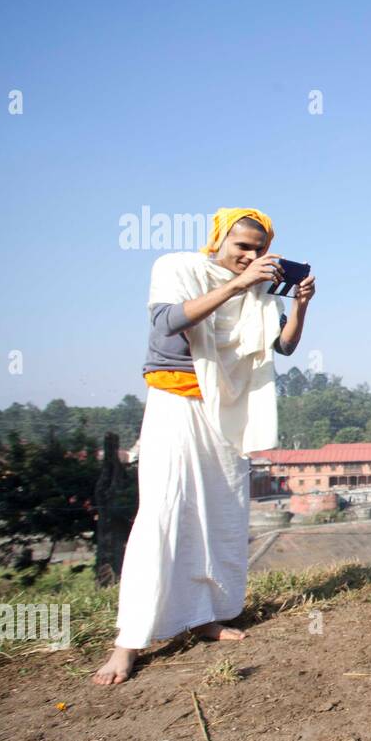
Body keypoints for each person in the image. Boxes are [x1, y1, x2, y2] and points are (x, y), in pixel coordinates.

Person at [93, 208, 316, 685]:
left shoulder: (258, 287)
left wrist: (300, 305)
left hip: (229, 411)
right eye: (242, 246)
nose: (250, 255)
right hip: (177, 404)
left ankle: (205, 616)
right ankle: (128, 642)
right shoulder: (178, 268)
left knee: (221, 514)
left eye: (259, 248)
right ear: (218, 239)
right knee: (164, 512)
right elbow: (168, 323)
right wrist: (237, 284)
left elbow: (285, 347)